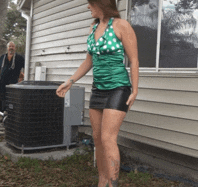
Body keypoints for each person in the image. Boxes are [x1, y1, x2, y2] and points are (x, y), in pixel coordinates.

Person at [56, 0, 139, 186]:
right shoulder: (93, 28)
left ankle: (113, 183)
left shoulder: (121, 26)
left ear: (101, 3)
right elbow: (89, 61)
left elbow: (134, 60)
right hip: (98, 89)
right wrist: (70, 81)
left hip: (118, 88)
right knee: (97, 138)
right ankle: (103, 181)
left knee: (108, 138)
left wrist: (135, 90)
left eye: (90, 3)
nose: (88, 7)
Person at [0, 41, 25, 112]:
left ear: (15, 48)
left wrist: (21, 78)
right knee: (2, 98)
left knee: (12, 98)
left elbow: (25, 68)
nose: (11, 48)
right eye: (10, 46)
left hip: (13, 82)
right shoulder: (2, 57)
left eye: (12, 46)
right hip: (2, 82)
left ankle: (11, 114)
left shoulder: (19, 58)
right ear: (7, 48)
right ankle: (2, 114)